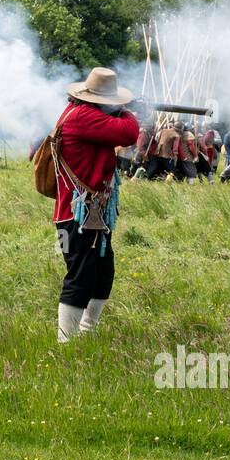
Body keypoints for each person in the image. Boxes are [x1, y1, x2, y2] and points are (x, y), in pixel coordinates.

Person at [49, 68, 140, 342]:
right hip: (76, 216)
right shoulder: (82, 116)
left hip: (89, 214)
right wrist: (125, 111)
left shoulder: (83, 113)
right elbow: (129, 132)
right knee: (80, 277)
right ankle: (66, 341)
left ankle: (87, 333)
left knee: (102, 273)